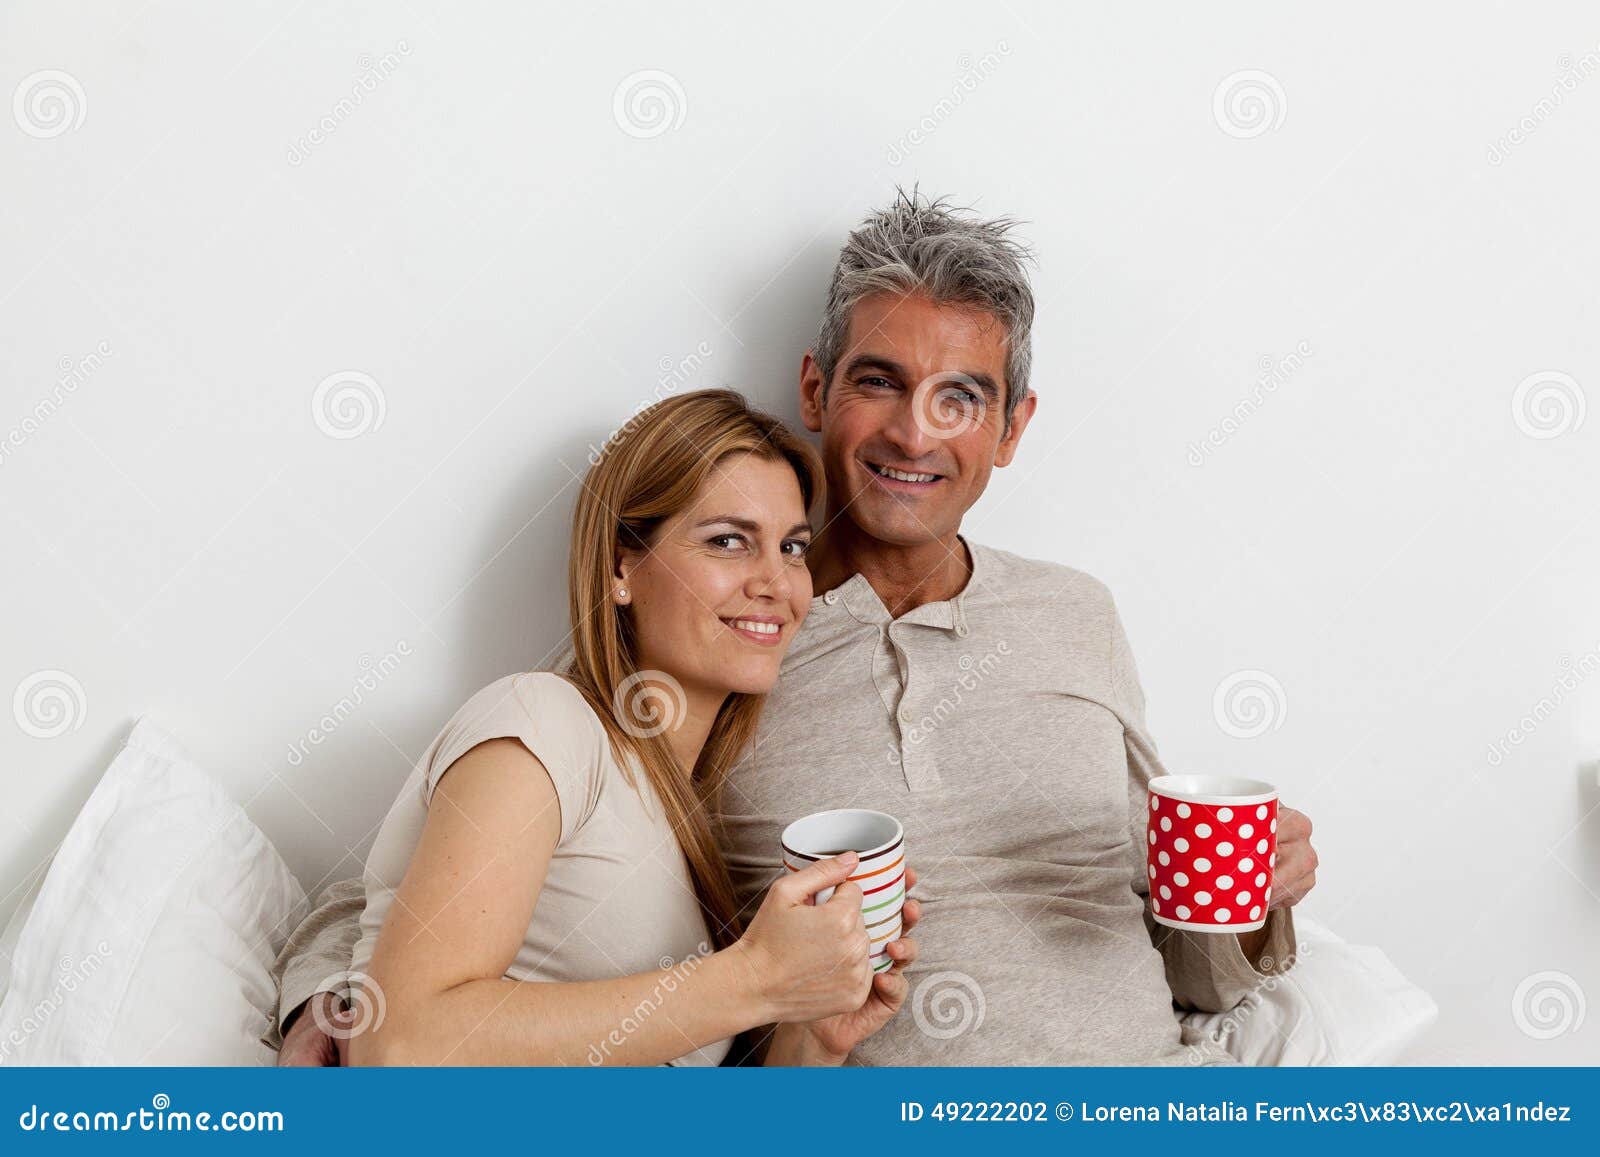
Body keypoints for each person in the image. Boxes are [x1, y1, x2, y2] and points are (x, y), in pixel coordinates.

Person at [272, 190, 1318, 1067]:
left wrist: (1250, 908)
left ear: (1011, 429)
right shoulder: (728, 636)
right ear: (817, 389)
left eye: (962, 397)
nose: (915, 430)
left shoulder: (1075, 613)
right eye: (880, 381)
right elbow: (431, 859)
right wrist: (329, 994)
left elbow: (1190, 953)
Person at [282, 388, 920, 1066]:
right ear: (622, 567)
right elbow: (403, 1044)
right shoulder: (543, 724)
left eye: (791, 546)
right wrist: (756, 979)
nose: (775, 580)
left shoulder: (681, 809)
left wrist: (809, 1032)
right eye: (729, 540)